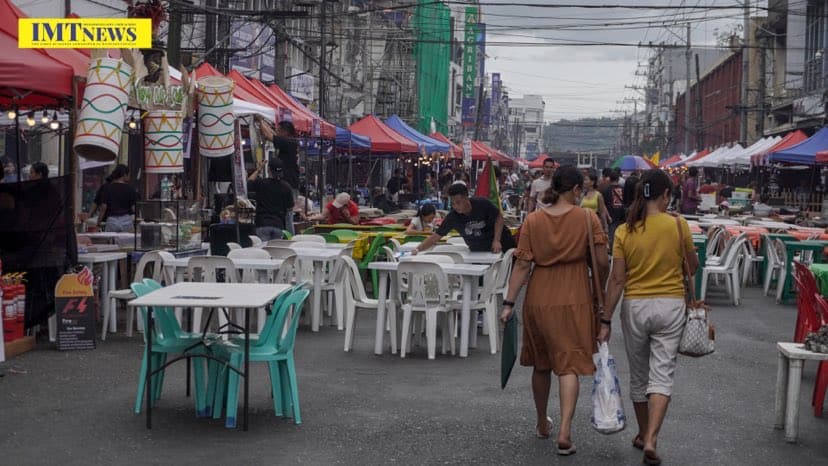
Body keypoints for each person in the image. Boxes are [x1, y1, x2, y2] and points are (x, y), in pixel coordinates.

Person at [499, 166, 609, 455]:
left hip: (540, 294)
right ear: (574, 190)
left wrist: (509, 302)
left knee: (542, 362)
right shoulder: (588, 219)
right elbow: (601, 263)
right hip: (575, 294)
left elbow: (522, 264)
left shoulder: (533, 220)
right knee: (569, 363)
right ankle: (565, 431)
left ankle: (541, 422)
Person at [600, 169, 698, 466]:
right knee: (662, 375)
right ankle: (653, 438)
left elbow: (617, 280)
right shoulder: (678, 225)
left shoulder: (624, 231)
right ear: (666, 195)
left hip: (635, 307)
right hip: (670, 306)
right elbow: (691, 268)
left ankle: (643, 433)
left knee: (640, 376)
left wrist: (605, 320)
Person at [413, 182, 515, 253]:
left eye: (458, 202)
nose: (455, 206)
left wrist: (496, 240)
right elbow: (435, 237)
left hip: (501, 243)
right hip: (478, 251)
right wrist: (418, 249)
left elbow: (499, 218)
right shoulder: (453, 217)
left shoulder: (482, 204)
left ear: (467, 198)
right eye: (452, 203)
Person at [256, 117, 300, 233]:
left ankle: (289, 236)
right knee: (285, 212)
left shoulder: (288, 142)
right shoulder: (291, 142)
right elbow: (272, 134)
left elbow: (269, 136)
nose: (277, 132)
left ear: (285, 131)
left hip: (288, 183)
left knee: (288, 213)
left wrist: (260, 120)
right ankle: (286, 234)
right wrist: (264, 123)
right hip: (289, 182)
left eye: (279, 130)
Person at [247, 158, 294, 241]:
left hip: (262, 224)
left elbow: (248, 183)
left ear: (269, 170)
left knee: (265, 252)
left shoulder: (261, 183)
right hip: (278, 225)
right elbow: (289, 208)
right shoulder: (286, 187)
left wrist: (259, 169)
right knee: (276, 251)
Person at [97, 164, 138, 232]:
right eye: (128, 175)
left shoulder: (107, 188)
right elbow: (134, 208)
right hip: (126, 220)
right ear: (124, 175)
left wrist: (99, 222)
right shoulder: (131, 189)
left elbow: (103, 207)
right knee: (127, 242)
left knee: (111, 241)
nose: (129, 177)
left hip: (112, 220)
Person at [601, 170, 625, 247]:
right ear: (618, 179)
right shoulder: (624, 189)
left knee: (612, 237)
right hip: (622, 216)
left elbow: (603, 205)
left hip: (611, 216)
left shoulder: (605, 190)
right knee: (623, 236)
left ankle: (613, 253)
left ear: (610, 179)